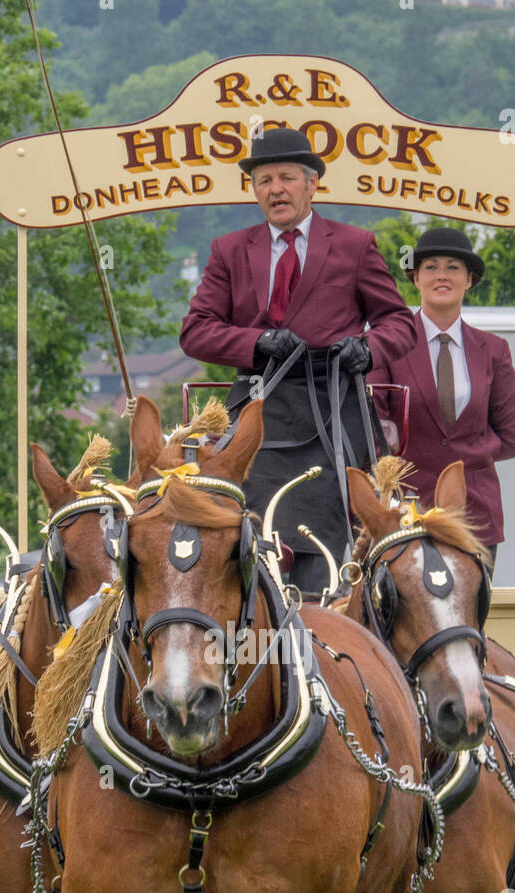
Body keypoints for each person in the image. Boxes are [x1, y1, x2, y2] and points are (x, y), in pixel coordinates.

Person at [179, 127, 417, 594]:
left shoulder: (354, 245)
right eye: (263, 180)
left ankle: (317, 628)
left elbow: (399, 323)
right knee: (242, 531)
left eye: (285, 177)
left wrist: (367, 349)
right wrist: (257, 342)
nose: (274, 189)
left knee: (319, 544)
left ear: (312, 184)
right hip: (256, 410)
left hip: (331, 409)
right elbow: (195, 330)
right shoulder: (229, 250)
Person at [369, 227, 515, 575]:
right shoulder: (385, 346)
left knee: (467, 625)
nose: (442, 275)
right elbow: (370, 430)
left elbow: (514, 439)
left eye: (453, 267)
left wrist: (467, 454)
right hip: (403, 514)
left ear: (469, 280)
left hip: (474, 516)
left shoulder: (494, 351)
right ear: (416, 279)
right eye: (431, 267)